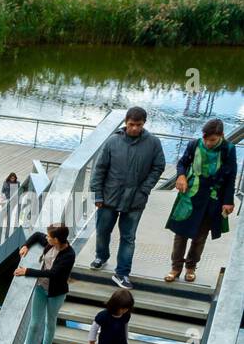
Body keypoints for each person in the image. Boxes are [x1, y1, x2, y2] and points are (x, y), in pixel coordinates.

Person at [89, 106, 166, 290]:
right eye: (131, 124)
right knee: (102, 230)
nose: (134, 129)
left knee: (128, 237)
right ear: (125, 122)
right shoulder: (112, 142)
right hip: (109, 197)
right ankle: (101, 256)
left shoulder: (153, 143)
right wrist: (97, 194)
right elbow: (99, 169)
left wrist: (144, 189)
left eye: (138, 125)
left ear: (144, 124)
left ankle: (122, 273)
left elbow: (158, 167)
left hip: (135, 200)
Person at [164, 117, 237, 284]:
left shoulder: (228, 149)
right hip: (190, 195)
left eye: (212, 140)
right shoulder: (195, 144)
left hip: (212, 198)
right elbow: (182, 163)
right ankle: (175, 267)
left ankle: (191, 267)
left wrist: (228, 201)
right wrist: (181, 175)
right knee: (180, 234)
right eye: (206, 139)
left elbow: (231, 177)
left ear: (221, 136)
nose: (208, 143)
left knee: (200, 236)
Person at [13, 223, 75, 344]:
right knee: (34, 323)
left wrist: (27, 271)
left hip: (57, 293)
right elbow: (36, 235)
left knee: (50, 321)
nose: (46, 238)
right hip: (41, 288)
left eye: (49, 237)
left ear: (57, 240)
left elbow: (53, 273)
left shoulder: (69, 255)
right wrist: (26, 245)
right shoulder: (49, 243)